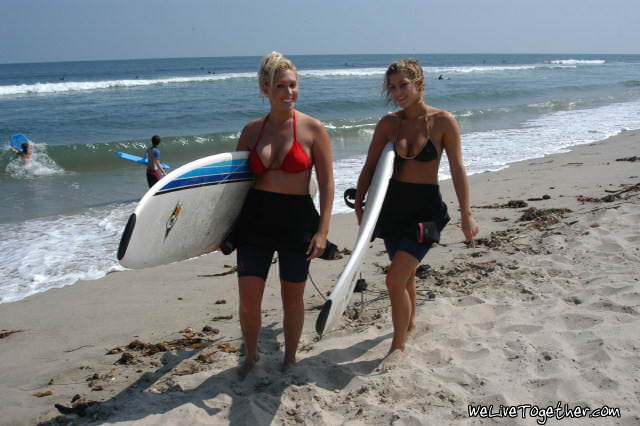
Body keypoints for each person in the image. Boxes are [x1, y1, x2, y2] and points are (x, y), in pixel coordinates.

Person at [354, 58, 478, 366]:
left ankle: (398, 345)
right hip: (392, 208)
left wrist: (467, 214)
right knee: (404, 276)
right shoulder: (389, 124)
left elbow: (458, 168)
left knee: (394, 280)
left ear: (419, 82)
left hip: (426, 211)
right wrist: (360, 207)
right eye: (393, 87)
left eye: (403, 85)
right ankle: (408, 324)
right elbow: (370, 166)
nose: (398, 92)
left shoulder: (443, 121)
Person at [232, 52, 334, 378]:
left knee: (293, 300)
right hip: (255, 222)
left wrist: (322, 231)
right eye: (280, 86)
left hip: (297, 222)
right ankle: (251, 357)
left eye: (293, 85)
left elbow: (328, 184)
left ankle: (290, 359)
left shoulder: (313, 128)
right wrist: (223, 229)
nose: (288, 92)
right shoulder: (251, 131)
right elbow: (233, 185)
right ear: (265, 89)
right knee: (249, 301)